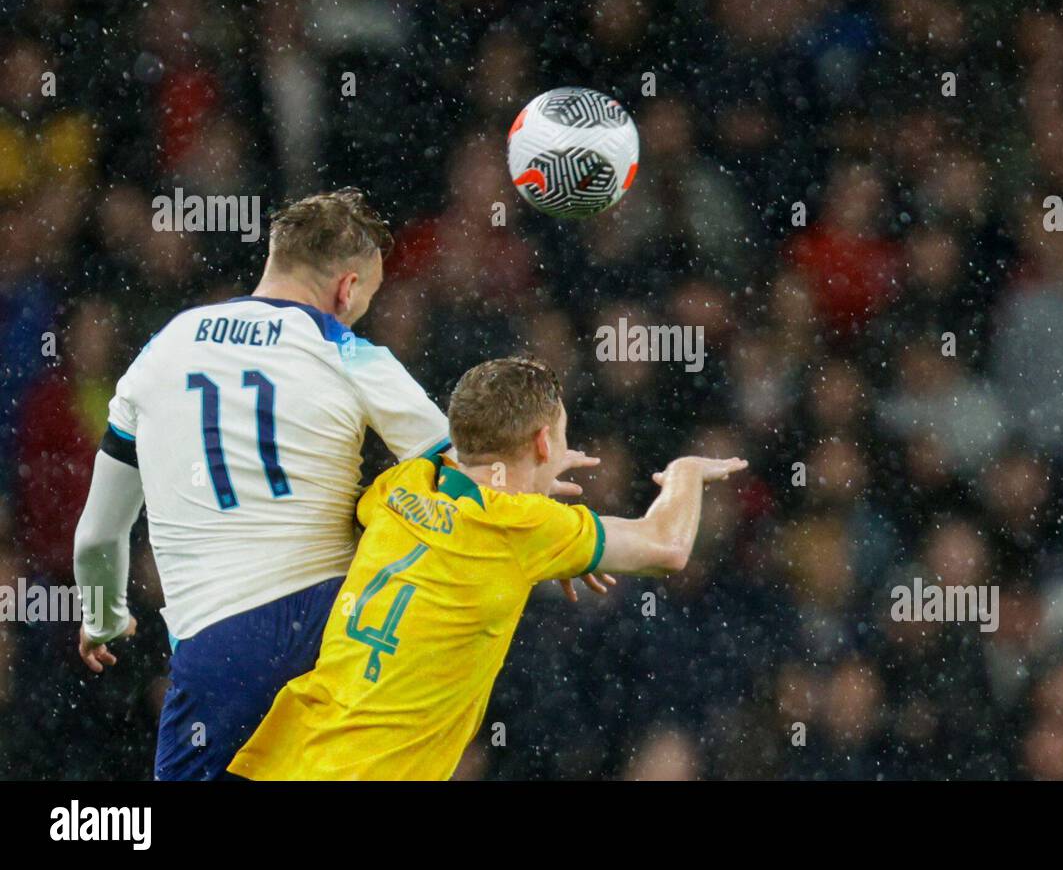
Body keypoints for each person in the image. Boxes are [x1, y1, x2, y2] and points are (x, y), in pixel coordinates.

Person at [71, 189, 596, 779]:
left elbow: (98, 535)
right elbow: (469, 474)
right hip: (339, 633)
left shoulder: (158, 352)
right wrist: (550, 526)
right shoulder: (348, 351)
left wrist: (103, 616)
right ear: (347, 289)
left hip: (221, 650)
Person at [228, 357, 746, 780]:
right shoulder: (523, 528)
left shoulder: (403, 484)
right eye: (560, 437)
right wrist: (686, 474)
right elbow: (667, 546)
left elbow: (466, 514)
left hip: (284, 757)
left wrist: (536, 501)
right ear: (545, 443)